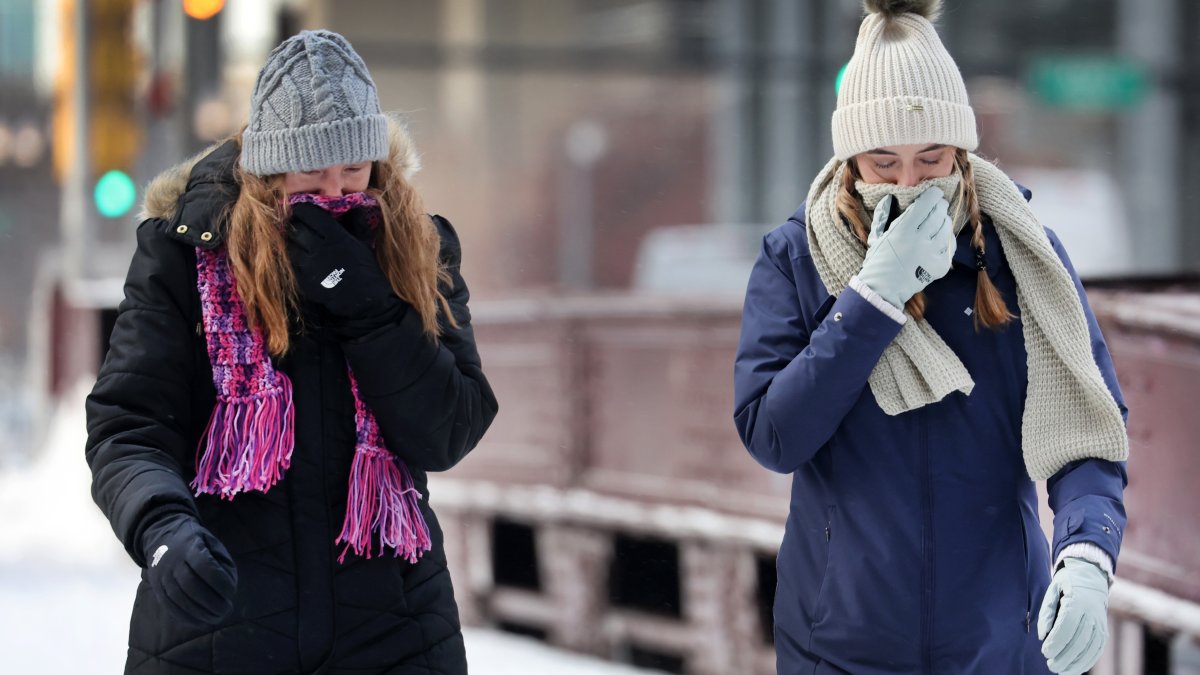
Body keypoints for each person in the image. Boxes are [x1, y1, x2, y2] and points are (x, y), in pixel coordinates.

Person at [733, 2, 1128, 673]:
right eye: (884, 162)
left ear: (962, 152)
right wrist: (871, 299)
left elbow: (1087, 431)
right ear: (852, 155)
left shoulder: (1022, 257)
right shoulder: (797, 257)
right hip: (838, 646)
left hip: (1000, 643)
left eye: (931, 158)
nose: (911, 184)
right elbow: (774, 434)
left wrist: (1087, 553)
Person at [86, 30, 497, 674]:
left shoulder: (418, 252)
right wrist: (162, 529)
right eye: (311, 171)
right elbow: (127, 429)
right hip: (217, 631)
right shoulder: (184, 256)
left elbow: (448, 430)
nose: (334, 193)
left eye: (354, 170)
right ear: (269, 169)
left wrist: (370, 307)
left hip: (393, 632)